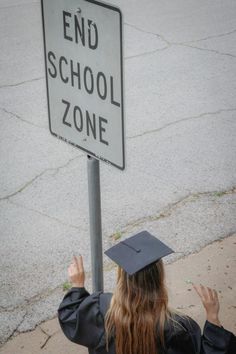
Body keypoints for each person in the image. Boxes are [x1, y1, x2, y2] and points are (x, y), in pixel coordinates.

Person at [58, 231, 235, 354]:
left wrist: (77, 286)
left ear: (122, 278)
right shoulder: (177, 328)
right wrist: (213, 318)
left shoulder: (100, 309)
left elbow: (71, 319)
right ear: (158, 279)